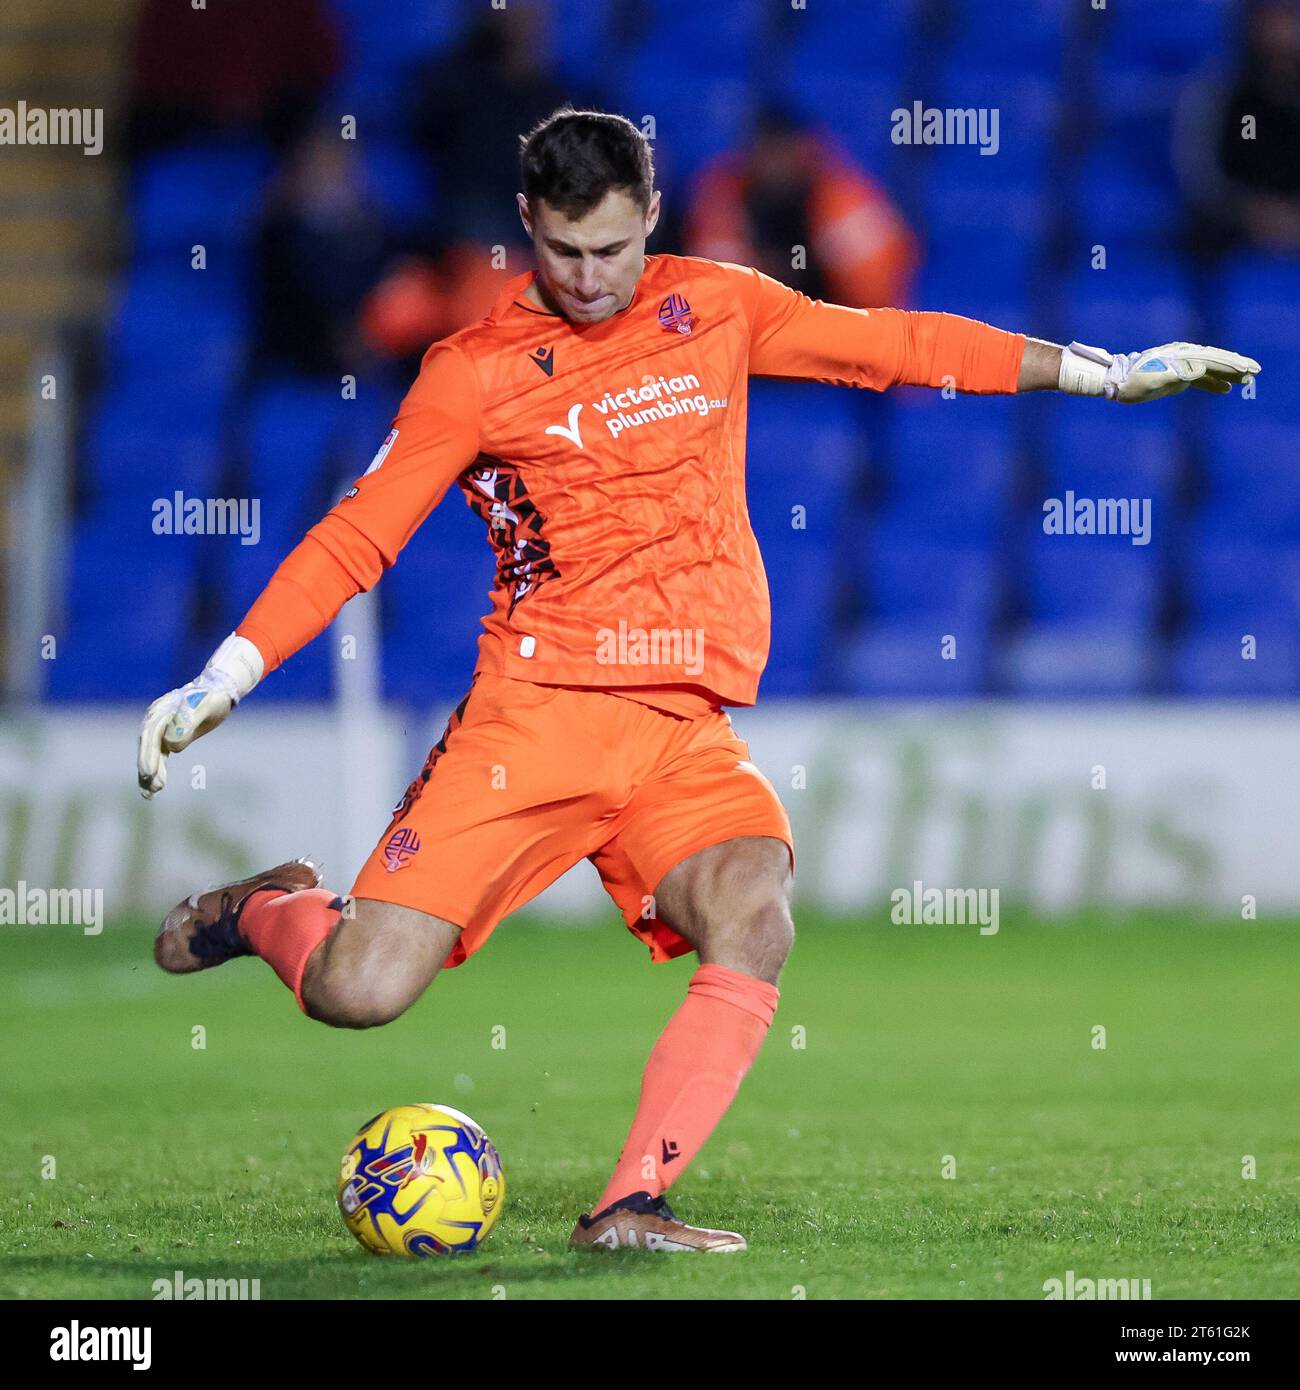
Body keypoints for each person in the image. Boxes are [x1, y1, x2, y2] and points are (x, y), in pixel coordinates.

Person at [136, 108, 1259, 1254]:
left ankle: (628, 1204)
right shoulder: (472, 374)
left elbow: (893, 345)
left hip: (681, 730)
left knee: (752, 910)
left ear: (652, 219)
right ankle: (259, 907)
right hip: (537, 721)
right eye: (563, 251)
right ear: (527, 222)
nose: (586, 277)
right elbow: (354, 536)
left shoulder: (715, 306)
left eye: (611, 250)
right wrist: (226, 673)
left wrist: (1100, 374)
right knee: (358, 990)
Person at [685, 104, 918, 309]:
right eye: (767, 152)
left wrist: (818, 259)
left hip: (841, 330)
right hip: (759, 333)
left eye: (782, 152)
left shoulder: (841, 198)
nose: (774, 163)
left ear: (803, 151)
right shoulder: (727, 194)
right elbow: (715, 289)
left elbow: (875, 292)